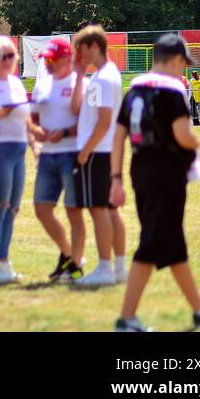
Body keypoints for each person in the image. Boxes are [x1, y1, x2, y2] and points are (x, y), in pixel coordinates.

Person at [109, 34, 200, 331]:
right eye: (182, 64)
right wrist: (197, 144)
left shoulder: (134, 90)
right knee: (152, 243)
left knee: (173, 244)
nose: (182, 70)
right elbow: (182, 135)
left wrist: (115, 178)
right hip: (166, 174)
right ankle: (126, 319)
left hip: (141, 171)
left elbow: (118, 135)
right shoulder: (172, 92)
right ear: (176, 60)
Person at [70, 24, 127, 287]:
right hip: (102, 150)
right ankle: (119, 267)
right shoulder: (103, 75)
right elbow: (82, 110)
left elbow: (104, 121)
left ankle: (105, 267)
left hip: (96, 151)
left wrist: (85, 150)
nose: (79, 56)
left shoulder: (104, 78)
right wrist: (80, 75)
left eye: (81, 50)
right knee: (110, 211)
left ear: (94, 46)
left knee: (99, 210)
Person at [30, 37, 86, 282]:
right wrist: (36, 132)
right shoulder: (42, 85)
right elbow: (31, 118)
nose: (48, 65)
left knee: (73, 211)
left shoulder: (79, 83)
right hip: (48, 155)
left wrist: (64, 132)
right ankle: (68, 254)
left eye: (52, 60)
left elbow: (87, 121)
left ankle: (75, 265)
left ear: (67, 59)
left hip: (72, 153)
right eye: (46, 60)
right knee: (42, 209)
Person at [0, 36, 33, 283]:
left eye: (11, 55)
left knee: (13, 207)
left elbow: (26, 119)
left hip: (19, 149)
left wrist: (35, 143)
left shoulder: (15, 82)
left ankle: (4, 260)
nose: (7, 61)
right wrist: (0, 113)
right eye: (2, 56)